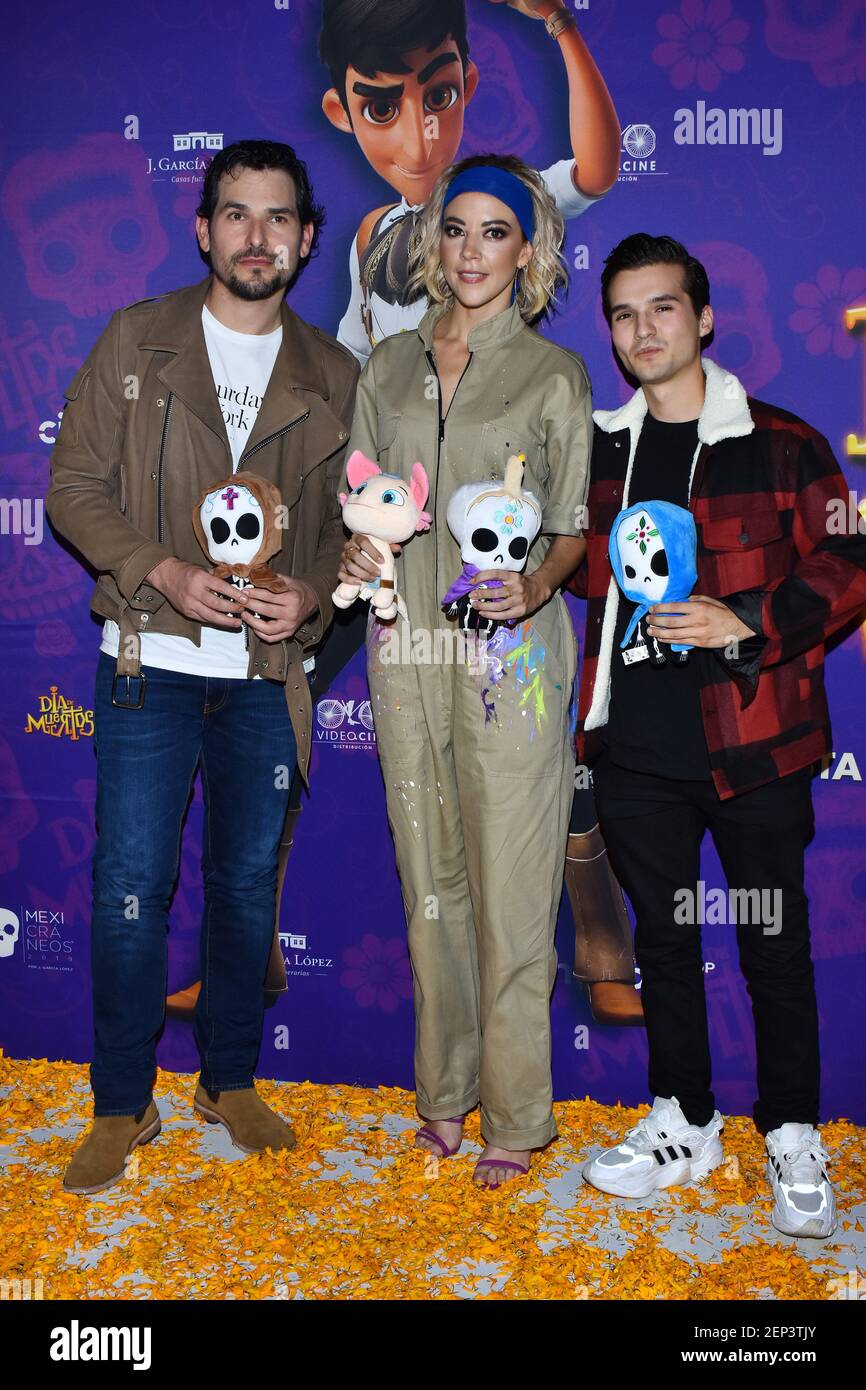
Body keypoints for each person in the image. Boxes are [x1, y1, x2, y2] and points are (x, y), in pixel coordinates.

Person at [46, 139, 359, 1195]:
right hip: (149, 655)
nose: (256, 237)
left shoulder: (336, 374)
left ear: (306, 239)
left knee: (241, 889)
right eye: (235, 214)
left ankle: (227, 1078)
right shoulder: (136, 340)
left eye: (277, 219)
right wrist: (161, 572)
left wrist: (309, 593)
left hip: (266, 674)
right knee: (132, 887)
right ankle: (121, 1102)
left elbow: (346, 535)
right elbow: (73, 488)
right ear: (202, 228)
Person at [572, 233, 866, 1238]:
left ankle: (787, 1130)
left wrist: (751, 619)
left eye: (661, 308)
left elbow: (850, 551)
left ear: (699, 317)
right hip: (636, 753)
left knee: (771, 945)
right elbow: (581, 568)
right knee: (659, 940)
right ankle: (682, 1120)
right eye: (621, 313)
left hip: (753, 746)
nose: (641, 329)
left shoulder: (781, 442)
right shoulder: (600, 446)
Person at [337, 153, 590, 1188]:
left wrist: (534, 588)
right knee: (429, 882)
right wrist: (356, 554)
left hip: (509, 658)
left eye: (496, 231)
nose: (473, 250)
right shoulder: (386, 367)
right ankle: (442, 1092)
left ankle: (517, 1115)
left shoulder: (552, 375)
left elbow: (570, 529)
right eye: (456, 229)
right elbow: (361, 502)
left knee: (511, 886)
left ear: (526, 250)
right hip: (404, 650)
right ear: (432, 245)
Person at [319, 0, 619, 361]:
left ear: (468, 84)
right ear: (342, 113)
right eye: (381, 110)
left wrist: (559, 22)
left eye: (439, 96)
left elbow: (595, 172)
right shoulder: (371, 232)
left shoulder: (501, 197)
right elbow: (354, 352)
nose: (418, 146)